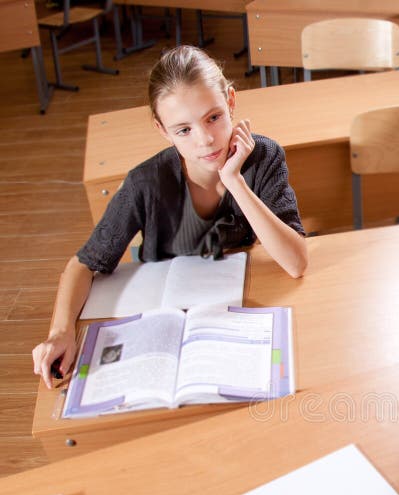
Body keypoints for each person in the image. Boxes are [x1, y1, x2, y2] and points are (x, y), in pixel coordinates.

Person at [32, 45, 308, 389]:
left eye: (214, 117)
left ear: (231, 102)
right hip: (163, 316)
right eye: (183, 130)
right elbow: (83, 264)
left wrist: (234, 181)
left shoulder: (263, 156)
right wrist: (60, 332)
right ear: (161, 129)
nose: (206, 140)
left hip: (234, 306)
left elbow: (296, 263)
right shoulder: (144, 183)